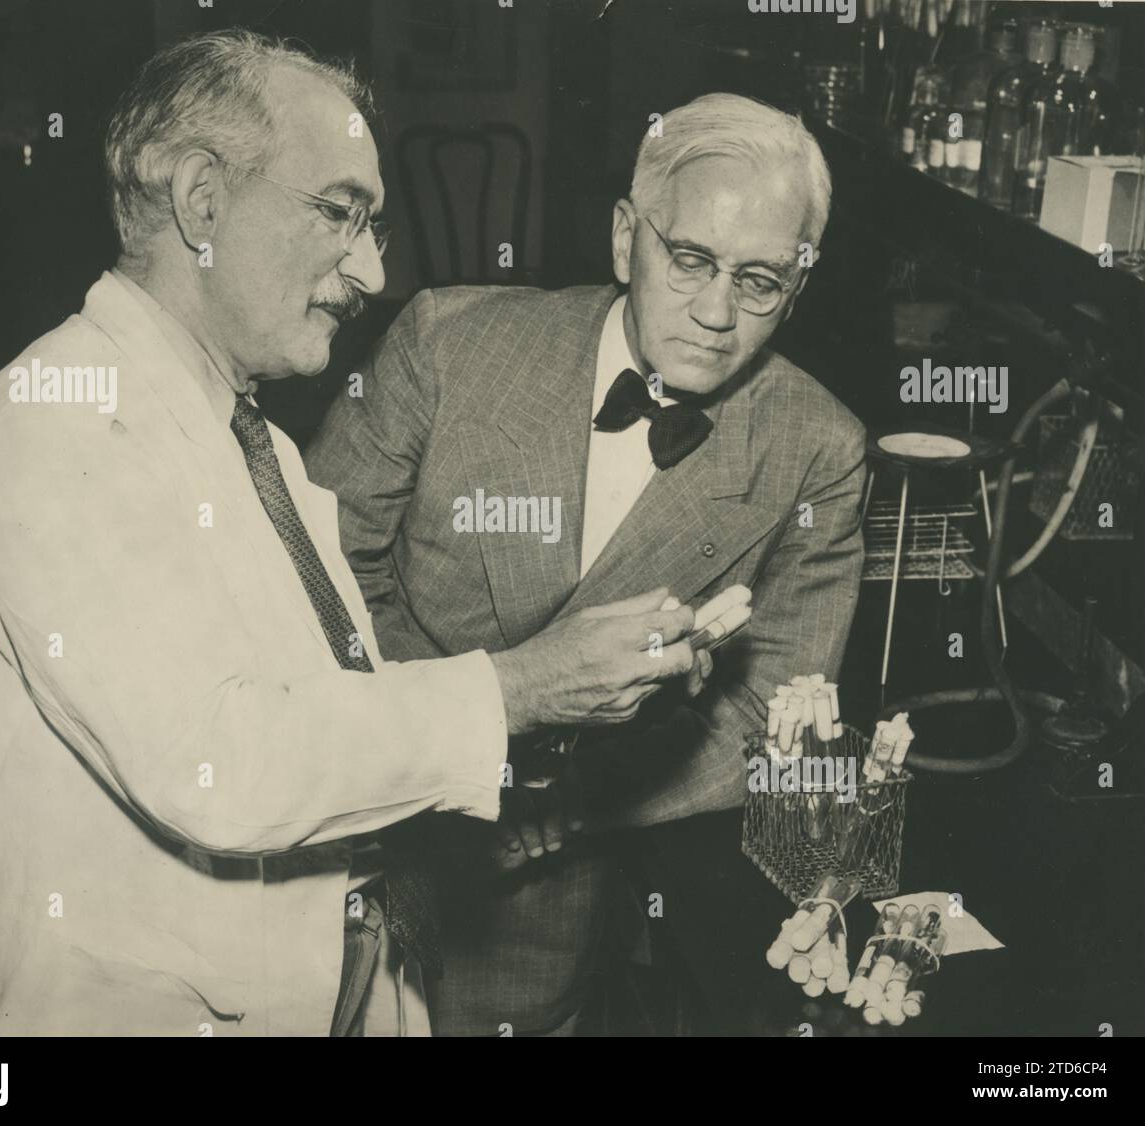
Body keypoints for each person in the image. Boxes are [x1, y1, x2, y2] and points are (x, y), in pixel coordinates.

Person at [0, 29, 704, 1037]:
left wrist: (559, 712)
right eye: (340, 213)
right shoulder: (50, 423)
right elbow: (219, 764)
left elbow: (332, 731)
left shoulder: (257, 446)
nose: (372, 269)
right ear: (202, 201)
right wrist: (521, 684)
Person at [306, 93, 867, 1036]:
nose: (718, 312)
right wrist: (465, 745)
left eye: (761, 280)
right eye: (688, 258)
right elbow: (315, 576)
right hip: (344, 830)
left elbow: (768, 711)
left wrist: (571, 804)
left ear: (797, 288)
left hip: (548, 894)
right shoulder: (446, 343)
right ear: (624, 240)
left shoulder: (817, 446)